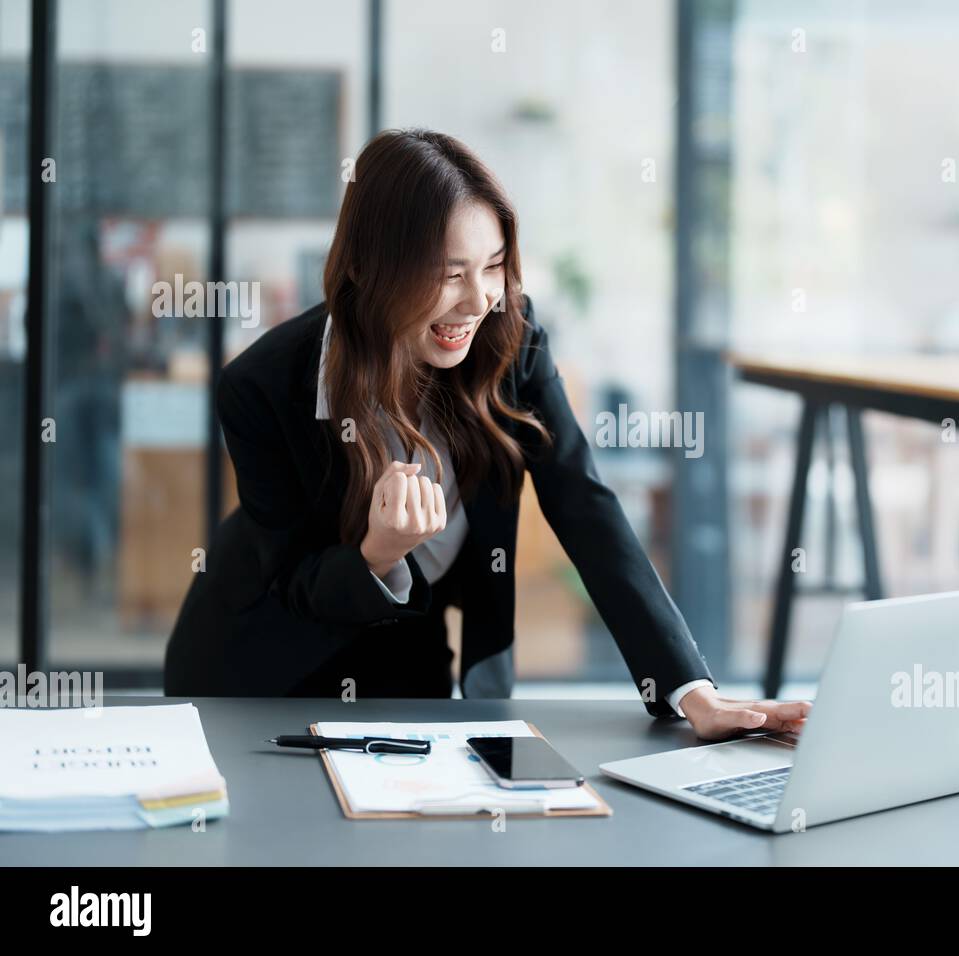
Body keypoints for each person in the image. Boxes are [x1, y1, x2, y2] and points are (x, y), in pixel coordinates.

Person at [165, 128, 810, 741]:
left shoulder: (510, 341)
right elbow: (291, 578)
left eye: (494, 265)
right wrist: (378, 554)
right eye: (449, 273)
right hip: (259, 673)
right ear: (373, 267)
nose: (478, 300)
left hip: (406, 657)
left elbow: (585, 506)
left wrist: (690, 689)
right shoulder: (262, 385)